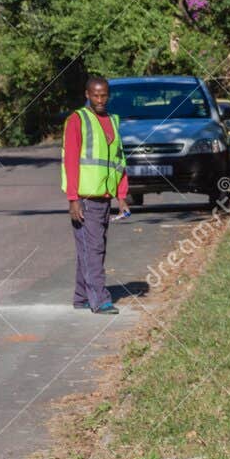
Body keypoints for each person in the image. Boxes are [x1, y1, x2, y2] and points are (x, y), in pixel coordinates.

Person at [63, 75, 128, 314]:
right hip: (85, 199)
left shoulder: (113, 120)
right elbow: (70, 160)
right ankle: (100, 300)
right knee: (94, 248)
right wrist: (73, 199)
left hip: (105, 197)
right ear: (87, 95)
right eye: (95, 95)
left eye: (104, 95)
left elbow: (119, 161)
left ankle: (81, 296)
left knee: (89, 248)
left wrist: (121, 196)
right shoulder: (77, 120)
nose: (100, 100)